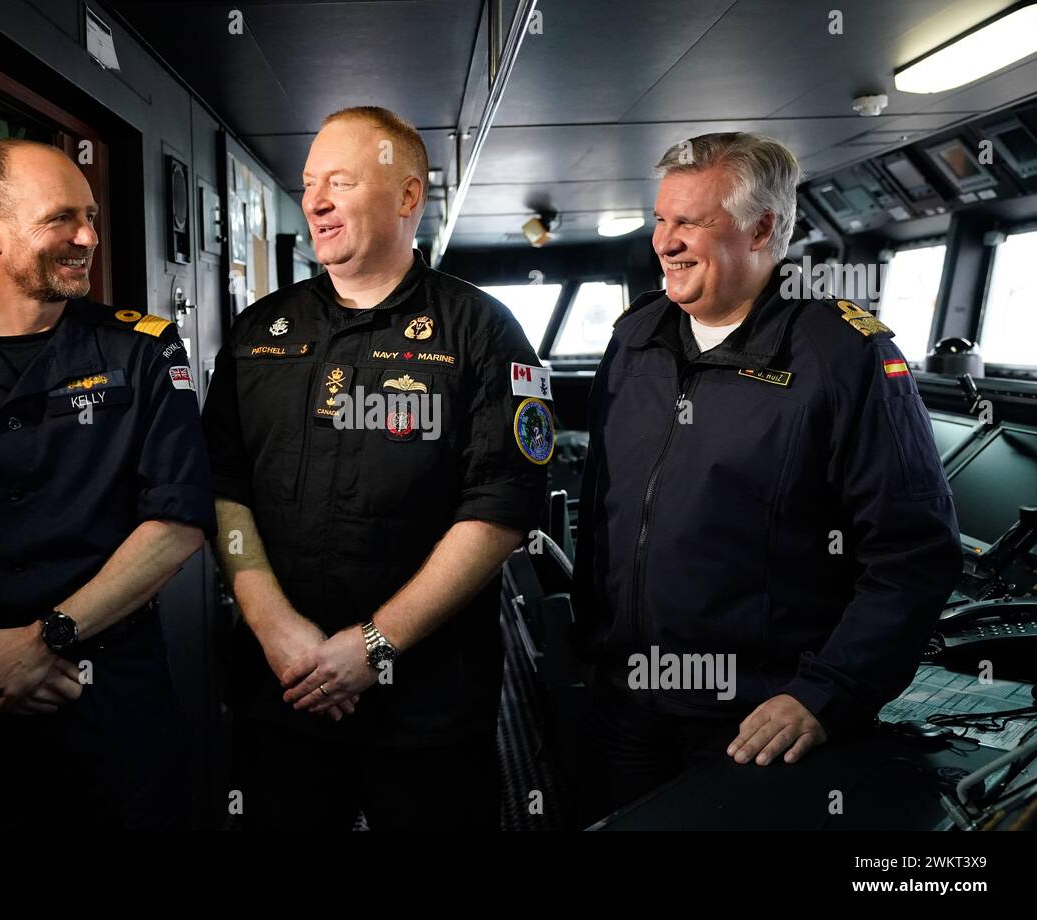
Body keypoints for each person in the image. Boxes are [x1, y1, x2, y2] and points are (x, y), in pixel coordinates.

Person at [571, 132, 960, 826]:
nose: (665, 241)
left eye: (690, 222)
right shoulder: (636, 338)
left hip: (752, 724)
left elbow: (912, 553)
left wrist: (825, 693)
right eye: (661, 219)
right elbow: (604, 505)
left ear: (762, 228)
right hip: (625, 706)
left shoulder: (843, 356)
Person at [202, 106, 552, 830]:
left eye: (340, 181)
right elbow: (222, 486)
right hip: (283, 690)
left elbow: (501, 510)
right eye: (307, 185)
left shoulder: (483, 331)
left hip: (429, 706)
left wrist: (375, 644)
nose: (316, 202)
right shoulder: (259, 332)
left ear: (407, 196)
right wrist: (273, 628)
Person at [0, 138, 215, 829]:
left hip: (106, 693)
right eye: (61, 219)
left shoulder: (142, 351)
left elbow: (177, 521)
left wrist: (45, 639)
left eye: (89, 216)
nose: (87, 236)